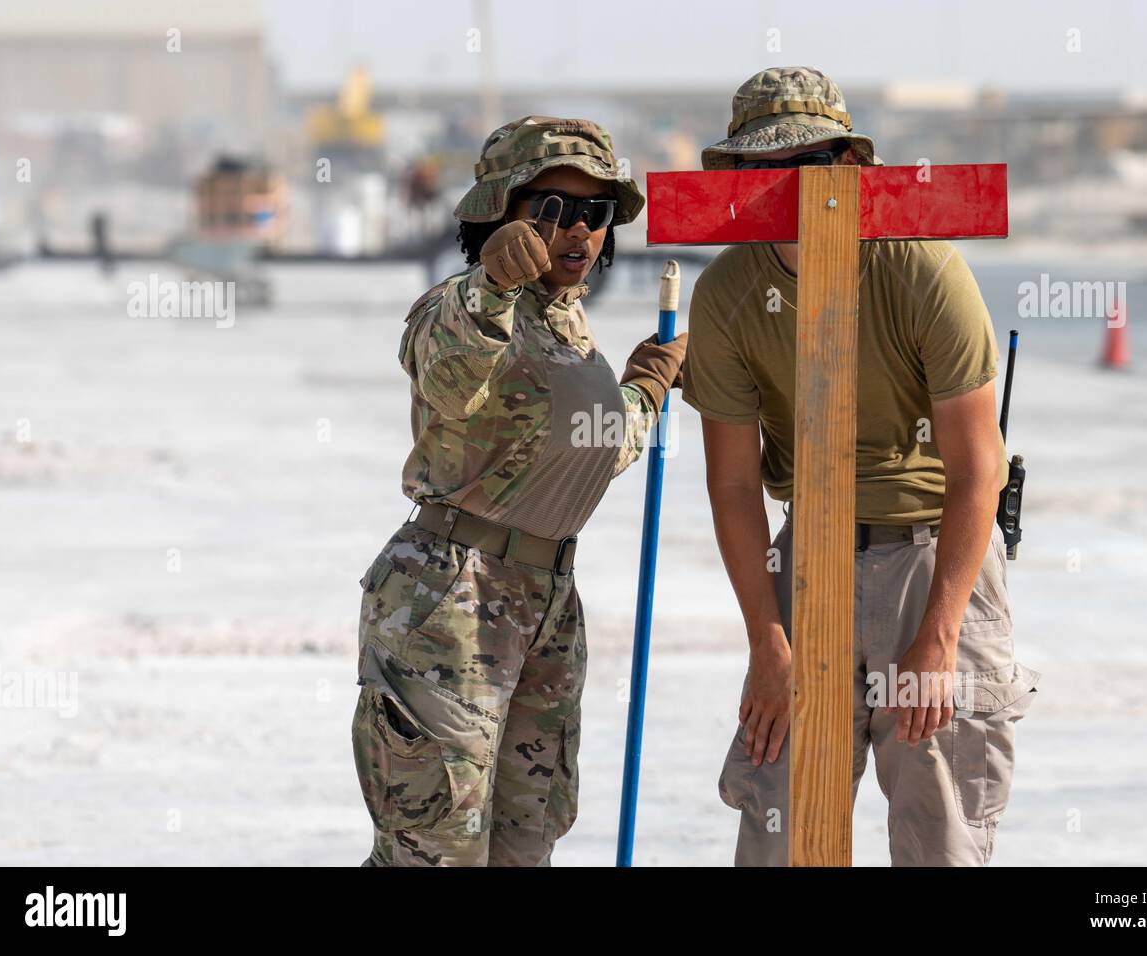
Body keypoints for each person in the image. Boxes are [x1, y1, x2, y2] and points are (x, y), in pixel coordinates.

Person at [683, 67, 1039, 866]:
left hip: (931, 556)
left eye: (807, 166)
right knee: (779, 824)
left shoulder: (921, 271)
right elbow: (734, 484)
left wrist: (940, 637)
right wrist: (767, 643)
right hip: (807, 557)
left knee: (938, 830)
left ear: (847, 166)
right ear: (738, 181)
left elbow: (977, 469)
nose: (789, 190)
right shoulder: (729, 295)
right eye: (763, 172)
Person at [352, 116, 686, 867]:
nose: (577, 230)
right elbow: (444, 376)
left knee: (525, 841)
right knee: (434, 847)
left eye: (595, 214)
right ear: (500, 212)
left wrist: (640, 392)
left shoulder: (568, 327)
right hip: (448, 601)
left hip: (543, 602)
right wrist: (491, 285)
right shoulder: (462, 306)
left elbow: (585, 451)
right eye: (552, 210)